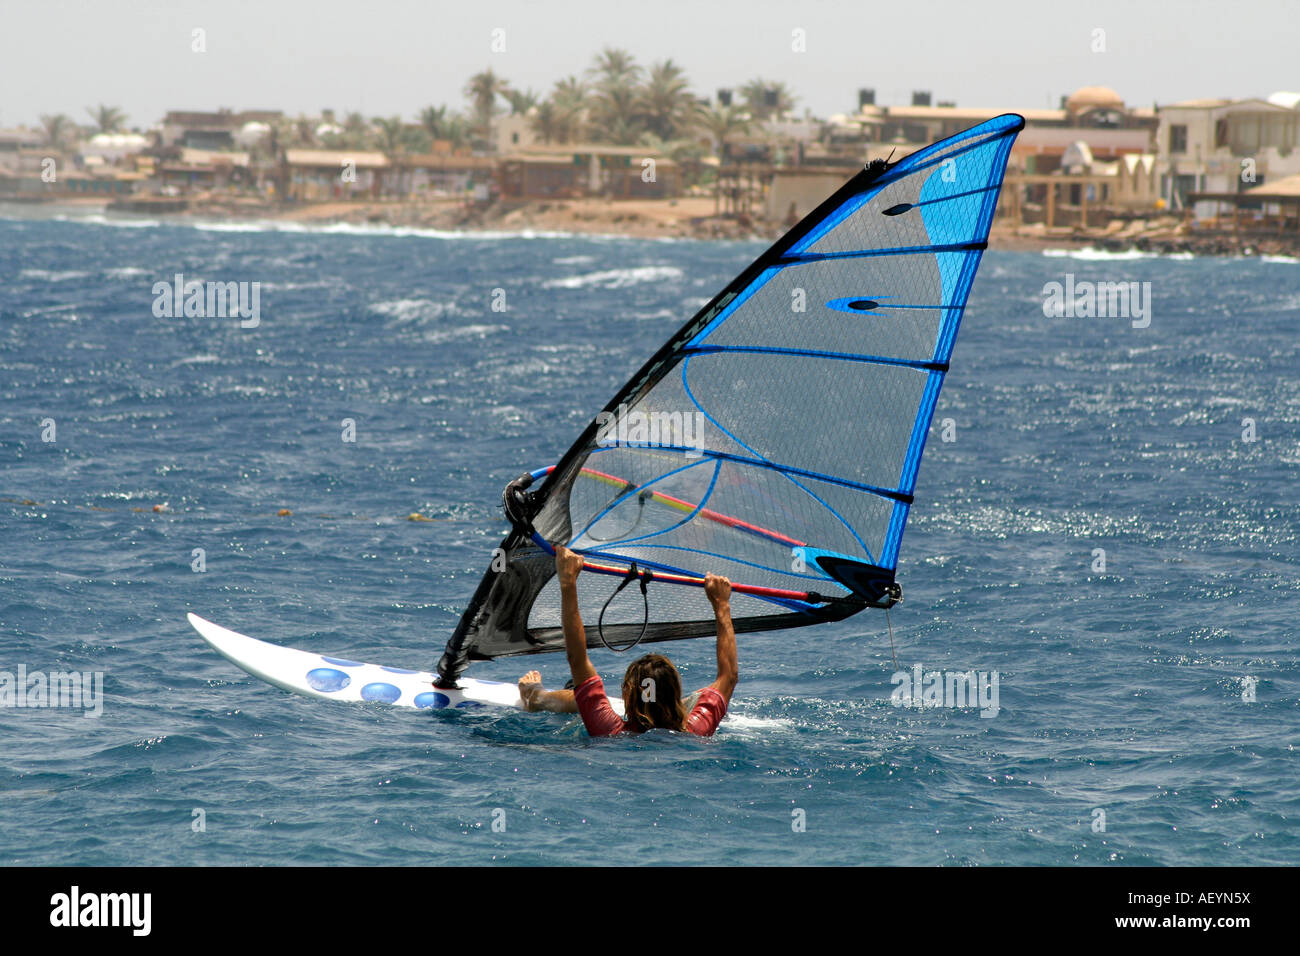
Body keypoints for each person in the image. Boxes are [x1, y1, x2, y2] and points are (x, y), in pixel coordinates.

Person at [517, 545, 737, 736]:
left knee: (580, 700)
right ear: (677, 695)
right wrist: (721, 604)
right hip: (676, 735)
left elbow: (577, 659)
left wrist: (567, 582)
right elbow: (729, 676)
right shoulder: (698, 729)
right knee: (581, 698)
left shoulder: (609, 728)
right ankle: (543, 695)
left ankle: (535, 696)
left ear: (626, 694)